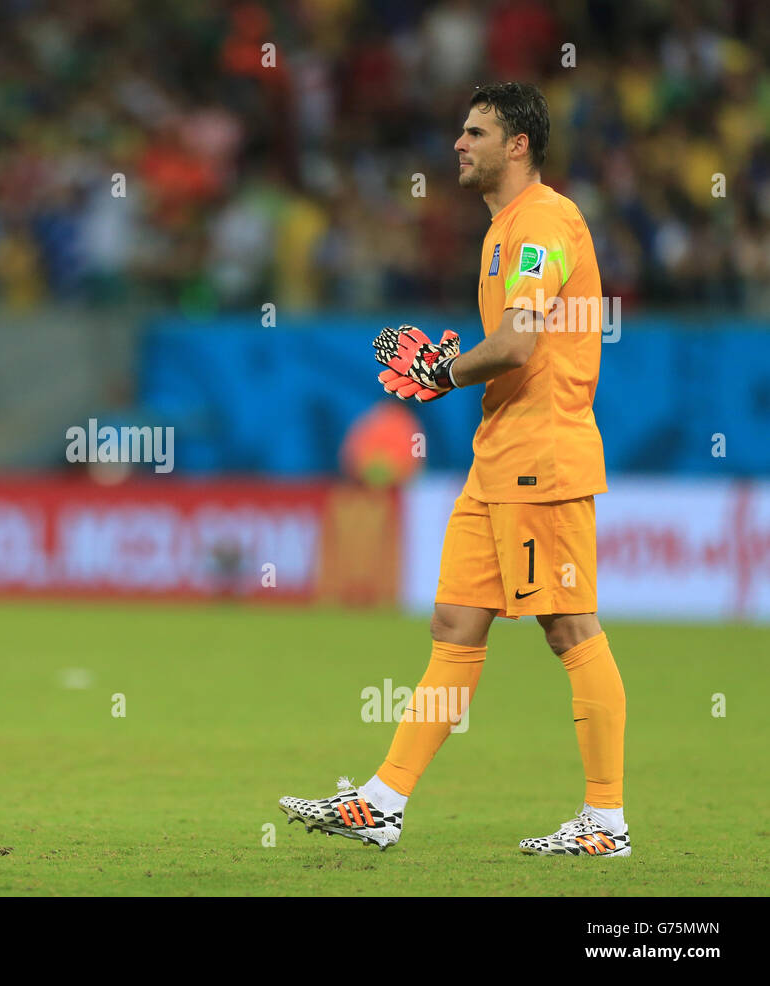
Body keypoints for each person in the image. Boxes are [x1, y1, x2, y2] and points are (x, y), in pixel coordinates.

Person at [280, 82, 628, 857]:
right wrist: (456, 370)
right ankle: (384, 800)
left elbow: (516, 344)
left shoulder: (541, 222)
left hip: (543, 455)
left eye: (475, 132)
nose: (459, 145)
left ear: (518, 145)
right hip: (499, 454)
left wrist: (442, 373)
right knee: (455, 622)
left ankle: (606, 821)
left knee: (570, 627)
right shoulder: (505, 227)